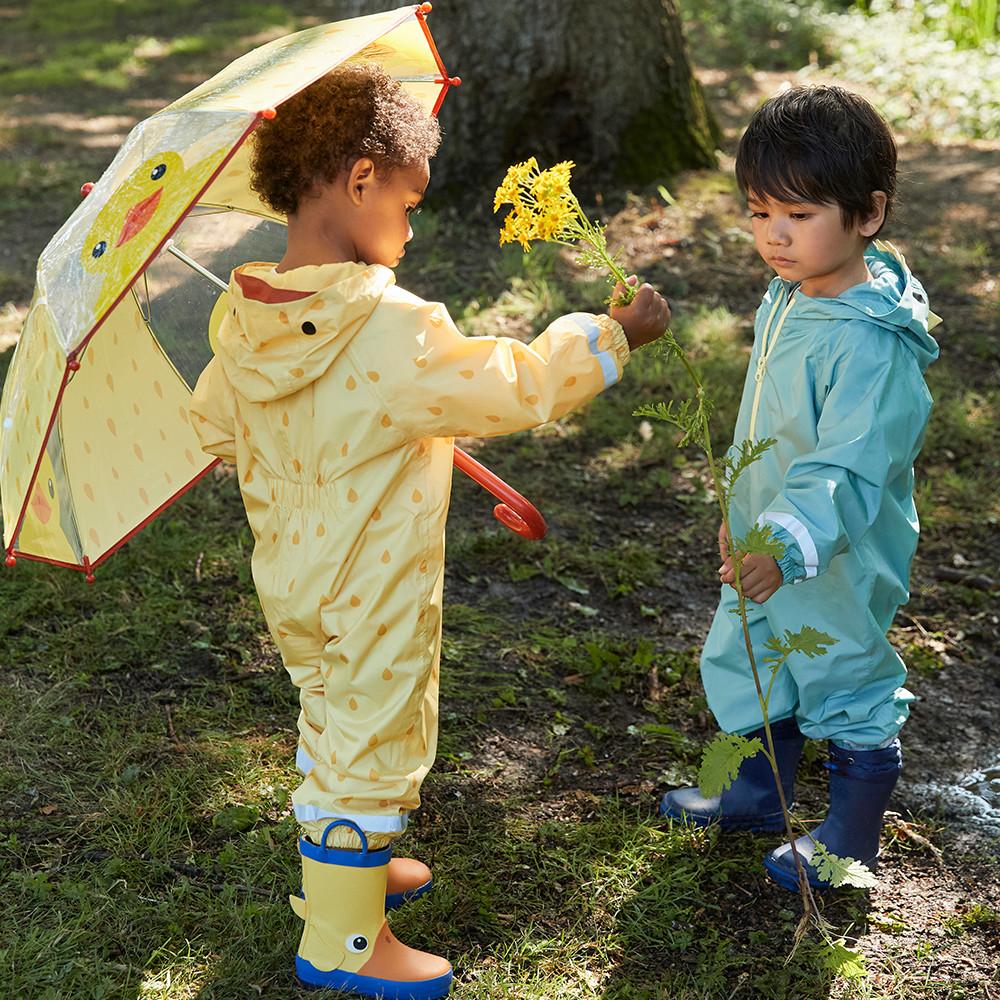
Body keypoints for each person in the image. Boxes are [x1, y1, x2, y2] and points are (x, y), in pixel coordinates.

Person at [190, 64, 669, 998]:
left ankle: (343, 878)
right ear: (360, 180)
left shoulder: (241, 315)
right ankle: (342, 941)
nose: (409, 230)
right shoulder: (388, 326)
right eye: (408, 204)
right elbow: (515, 383)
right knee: (370, 744)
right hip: (372, 584)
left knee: (330, 716)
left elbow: (217, 425)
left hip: (292, 575)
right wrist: (610, 339)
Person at [658, 85, 940, 892]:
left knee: (843, 669)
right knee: (749, 654)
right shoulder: (794, 294)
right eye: (758, 213)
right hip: (765, 536)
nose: (775, 236)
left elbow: (848, 464)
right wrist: (745, 514)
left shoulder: (870, 343)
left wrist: (785, 539)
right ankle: (754, 789)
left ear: (868, 213)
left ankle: (850, 842)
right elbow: (773, 426)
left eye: (800, 214)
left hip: (832, 548)